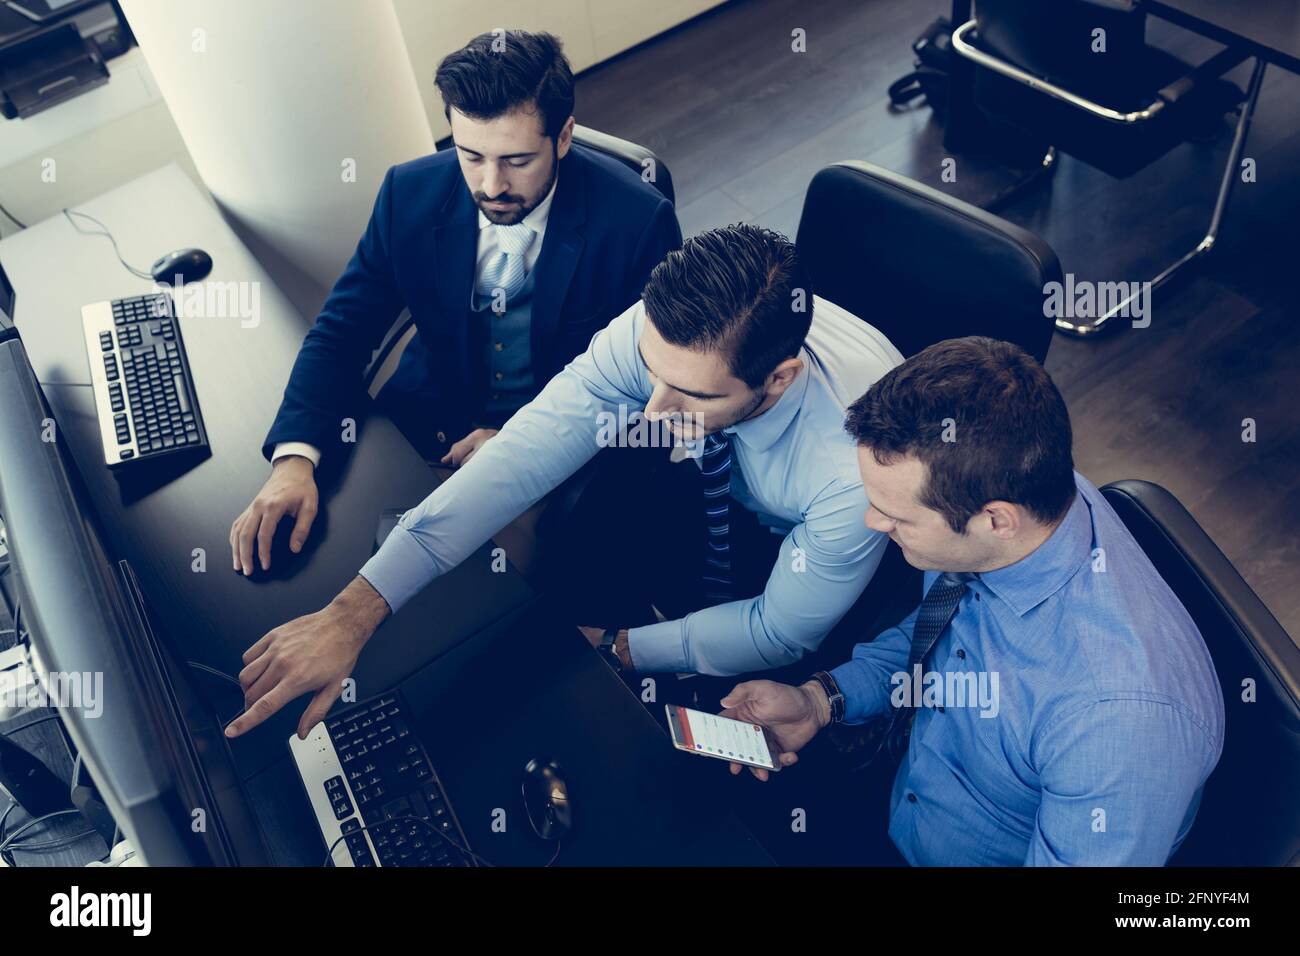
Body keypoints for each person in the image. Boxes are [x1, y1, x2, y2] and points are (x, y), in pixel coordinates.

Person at [224, 224, 904, 740]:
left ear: (778, 378)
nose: (652, 413)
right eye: (651, 373)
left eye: (689, 395)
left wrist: (619, 646)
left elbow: (780, 630)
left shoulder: (852, 470)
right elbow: (519, 457)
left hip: (812, 552)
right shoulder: (661, 337)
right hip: (708, 496)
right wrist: (354, 611)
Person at [721, 337, 1224, 866]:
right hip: (896, 787)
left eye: (897, 515)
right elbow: (941, 633)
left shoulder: (1117, 725)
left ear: (996, 520)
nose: (874, 522)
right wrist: (822, 700)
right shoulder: (1016, 494)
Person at [230, 29, 680, 574]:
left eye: (517, 160)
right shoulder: (408, 193)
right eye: (471, 156)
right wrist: (293, 460)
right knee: (316, 561)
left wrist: (523, 446)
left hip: (549, 461)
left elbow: (652, 390)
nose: (491, 185)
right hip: (418, 431)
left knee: (460, 611)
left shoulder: (636, 222)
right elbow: (341, 331)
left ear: (563, 136)